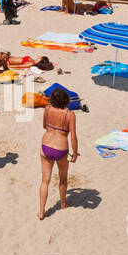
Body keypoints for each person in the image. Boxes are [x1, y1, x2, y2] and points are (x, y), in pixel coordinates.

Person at [38, 87, 78, 220]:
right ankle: (62, 204)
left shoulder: (47, 109)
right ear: (66, 100)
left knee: (45, 180)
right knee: (63, 178)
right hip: (61, 148)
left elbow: (44, 126)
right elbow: (73, 137)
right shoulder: (70, 114)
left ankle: (42, 211)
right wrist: (75, 153)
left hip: (46, 145)